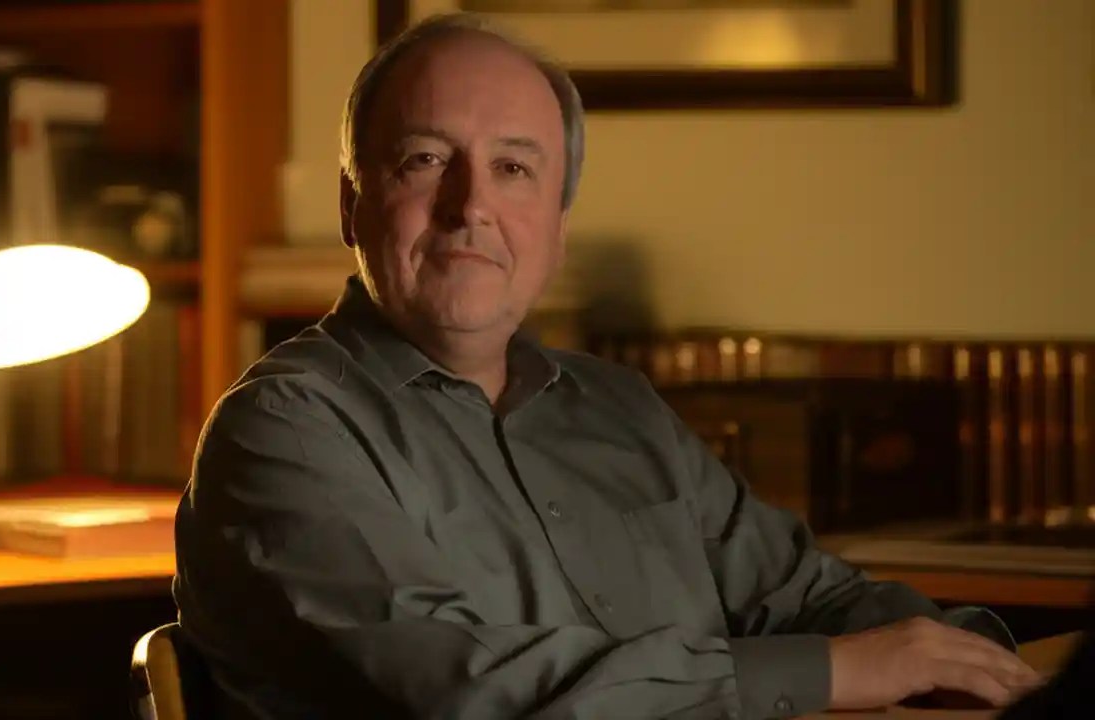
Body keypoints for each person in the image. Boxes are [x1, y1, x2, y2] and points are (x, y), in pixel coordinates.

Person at [173, 13, 1039, 719]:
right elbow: (465, 694)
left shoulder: (617, 408)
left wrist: (971, 657)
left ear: (557, 224)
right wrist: (837, 673)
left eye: (514, 167)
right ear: (352, 202)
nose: (470, 205)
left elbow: (802, 595)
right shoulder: (285, 429)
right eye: (426, 159)